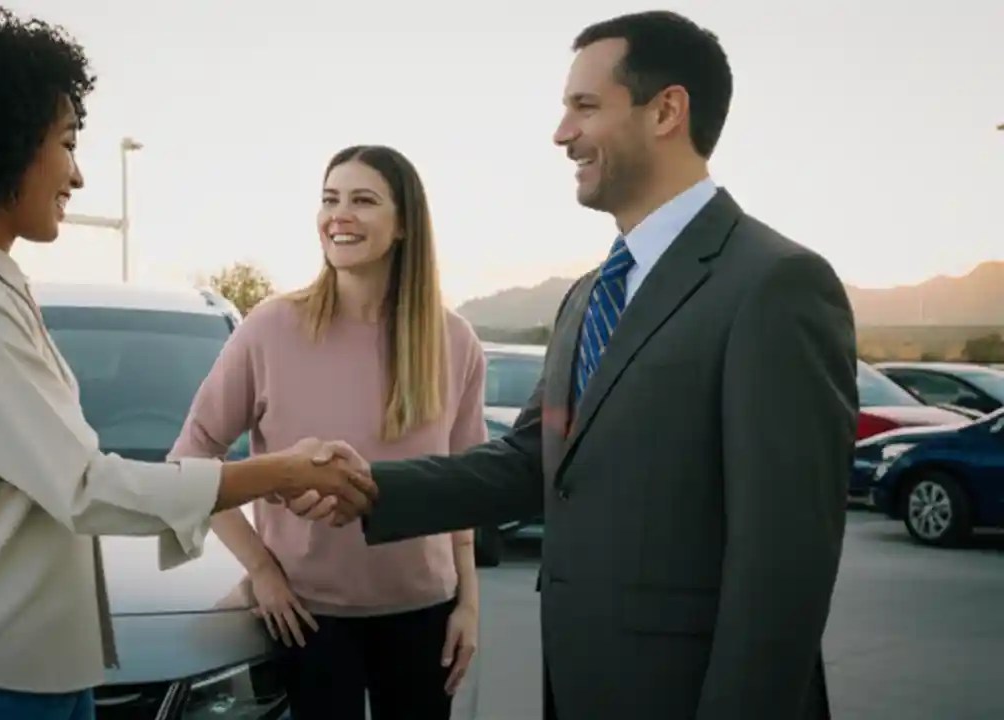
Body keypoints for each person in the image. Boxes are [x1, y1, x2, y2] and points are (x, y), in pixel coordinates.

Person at [321, 11, 858, 720]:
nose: (561, 133)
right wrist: (368, 487)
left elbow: (783, 568)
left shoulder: (775, 284)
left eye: (584, 106)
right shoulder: (587, 295)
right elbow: (529, 463)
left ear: (666, 110)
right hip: (580, 686)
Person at [0, 6, 374, 719]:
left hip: (21, 673)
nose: (79, 175)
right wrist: (276, 472)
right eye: (67, 143)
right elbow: (84, 487)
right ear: (2, 144)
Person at [168, 145, 488, 720]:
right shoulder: (270, 327)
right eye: (329, 199)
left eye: (363, 200)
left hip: (425, 615)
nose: (339, 214)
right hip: (307, 618)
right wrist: (262, 571)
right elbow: (191, 457)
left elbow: (461, 487)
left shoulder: (454, 340)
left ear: (404, 224)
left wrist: (469, 602)